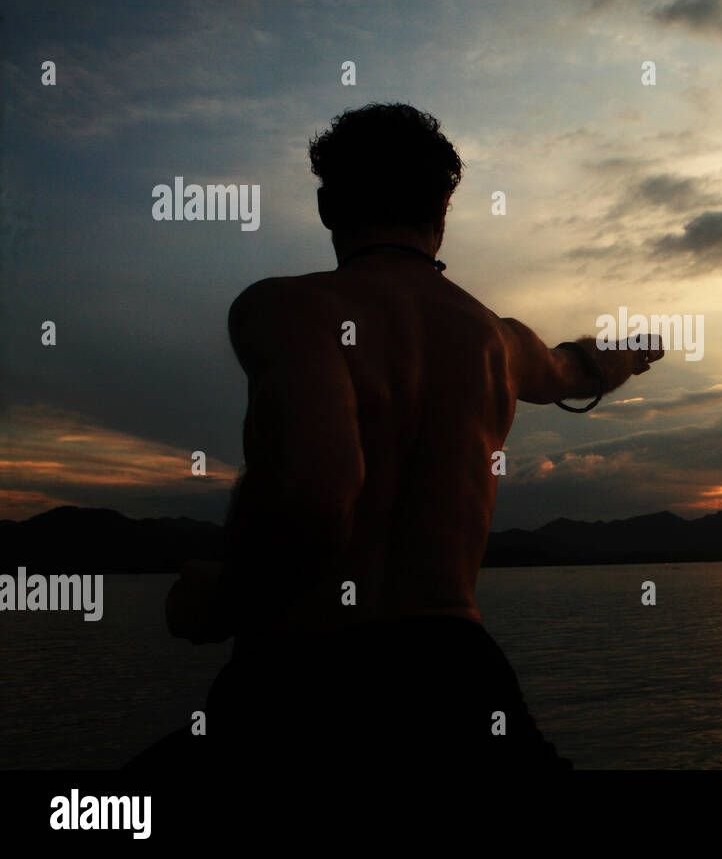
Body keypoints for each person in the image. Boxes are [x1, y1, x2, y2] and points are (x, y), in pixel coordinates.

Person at [138, 102, 662, 772]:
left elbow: (316, 494)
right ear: (442, 212)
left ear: (329, 207)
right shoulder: (497, 342)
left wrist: (220, 600)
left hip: (306, 680)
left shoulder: (288, 308)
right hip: (457, 676)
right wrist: (626, 353)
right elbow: (570, 370)